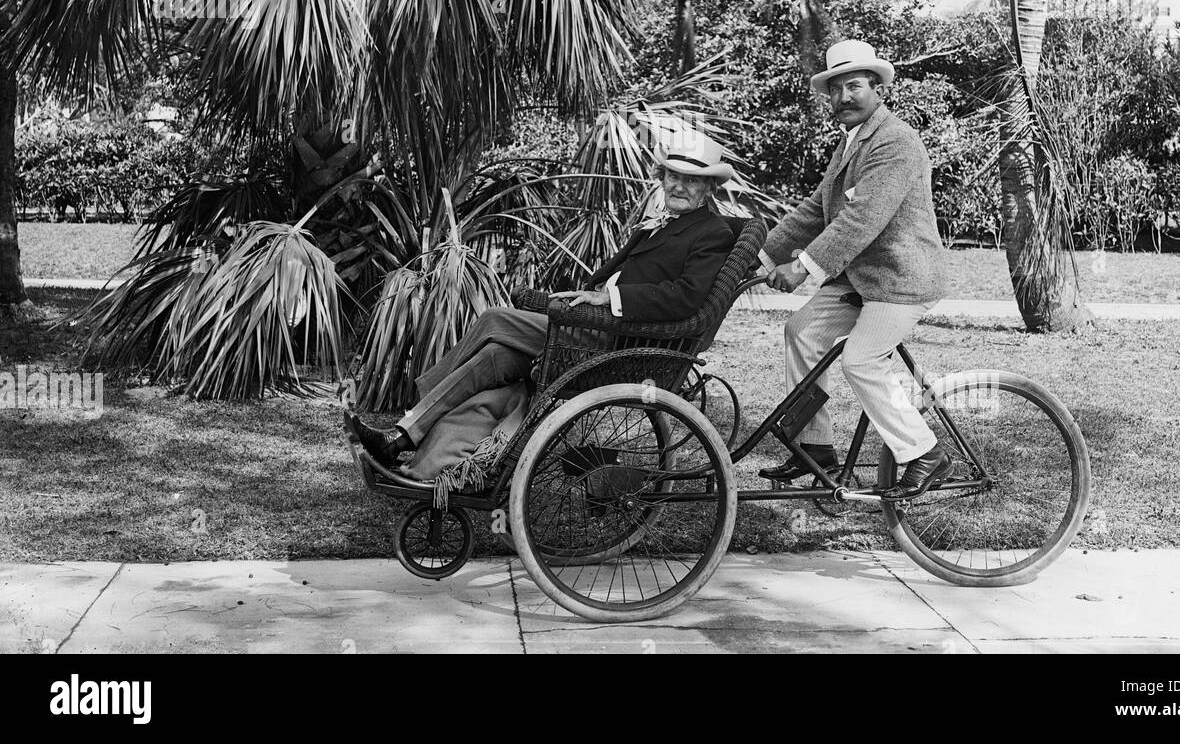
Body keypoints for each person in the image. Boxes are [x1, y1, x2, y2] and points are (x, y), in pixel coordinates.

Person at [348, 131, 738, 465]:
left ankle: (420, 393)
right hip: (594, 326)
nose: (678, 186)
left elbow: (686, 298)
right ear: (663, 176)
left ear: (709, 188)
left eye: (691, 180)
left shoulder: (710, 232)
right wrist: (592, 294)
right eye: (673, 175)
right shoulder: (665, 223)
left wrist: (609, 299)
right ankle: (401, 436)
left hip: (620, 341)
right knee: (495, 356)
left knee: (495, 319)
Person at [756, 39, 950, 500]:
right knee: (802, 331)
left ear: (878, 88)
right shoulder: (851, 143)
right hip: (862, 280)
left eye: (855, 85)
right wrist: (761, 257)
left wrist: (803, 266)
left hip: (900, 281)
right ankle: (815, 448)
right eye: (836, 88)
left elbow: (862, 218)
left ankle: (924, 453)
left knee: (861, 360)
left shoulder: (895, 140)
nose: (844, 96)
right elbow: (814, 211)